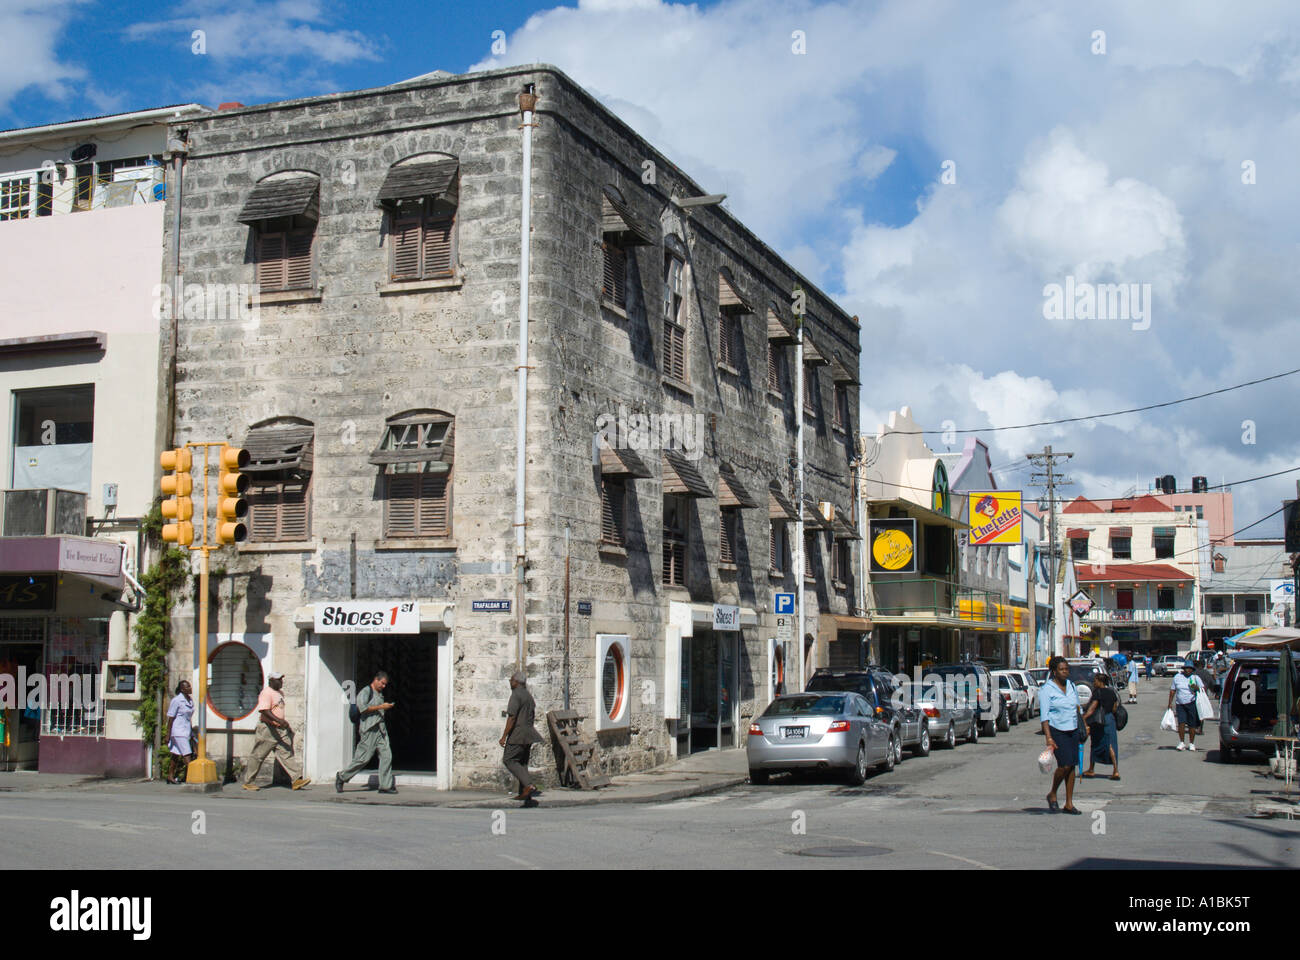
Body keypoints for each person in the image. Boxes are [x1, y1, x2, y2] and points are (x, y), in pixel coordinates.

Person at [242, 672, 310, 791]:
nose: (281, 682)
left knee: (285, 752)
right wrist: (278, 720)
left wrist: (284, 723)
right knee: (258, 755)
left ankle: (296, 779)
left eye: (281, 680)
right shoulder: (266, 693)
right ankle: (249, 781)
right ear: (271, 681)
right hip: (268, 728)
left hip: (279, 728)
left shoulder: (280, 693)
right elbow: (264, 710)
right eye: (279, 680)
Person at [336, 671, 397, 794]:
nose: (384, 686)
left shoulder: (379, 694)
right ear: (376, 680)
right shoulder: (365, 692)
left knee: (386, 756)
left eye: (385, 684)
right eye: (382, 683)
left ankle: (385, 785)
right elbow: (362, 708)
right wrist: (381, 707)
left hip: (380, 729)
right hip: (369, 730)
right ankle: (342, 776)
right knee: (363, 758)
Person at [1039, 656, 1086, 814]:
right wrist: (1048, 737)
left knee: (1072, 766)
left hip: (1073, 729)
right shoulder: (1047, 689)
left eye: (1067, 669)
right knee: (1064, 765)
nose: (1065, 672)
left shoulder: (1072, 686)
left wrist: (1084, 725)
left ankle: (1069, 803)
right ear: (1054, 671)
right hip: (1057, 731)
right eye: (1062, 669)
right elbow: (1044, 716)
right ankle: (1053, 793)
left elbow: (1078, 708)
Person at [500, 670, 543, 807]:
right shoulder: (528, 695)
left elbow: (512, 717)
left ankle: (529, 785)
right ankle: (525, 793)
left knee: (509, 759)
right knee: (522, 762)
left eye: (511, 680)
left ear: (516, 682)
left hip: (518, 734)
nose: (510, 682)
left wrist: (504, 736)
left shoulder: (516, 695)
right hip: (529, 733)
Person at [1082, 673, 1120, 780]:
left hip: (1099, 721)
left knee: (1096, 743)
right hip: (1110, 719)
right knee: (1111, 744)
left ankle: (1091, 769)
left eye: (1095, 680)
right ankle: (1115, 770)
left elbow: (1092, 708)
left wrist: (1083, 718)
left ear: (1100, 681)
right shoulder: (1112, 692)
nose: (1094, 683)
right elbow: (1114, 708)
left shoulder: (1097, 692)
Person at [1166, 660, 1202, 751]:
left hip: (1192, 703)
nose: (1187, 670)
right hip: (1180, 704)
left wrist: (1194, 687)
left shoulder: (1195, 677)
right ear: (1184, 668)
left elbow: (1202, 689)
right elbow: (1173, 690)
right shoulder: (1177, 677)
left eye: (1189, 669)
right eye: (1186, 668)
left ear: (1192, 669)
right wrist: (1170, 703)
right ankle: (1182, 742)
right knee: (1181, 723)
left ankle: (1191, 743)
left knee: (1192, 724)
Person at [165, 680, 196, 784]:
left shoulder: (190, 700)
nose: (190, 688)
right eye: (187, 687)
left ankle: (170, 776)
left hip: (186, 730)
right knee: (187, 754)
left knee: (175, 755)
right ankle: (194, 778)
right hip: (178, 731)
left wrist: (191, 732)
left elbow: (188, 718)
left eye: (190, 686)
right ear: (182, 689)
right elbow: (171, 718)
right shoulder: (177, 700)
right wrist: (168, 734)